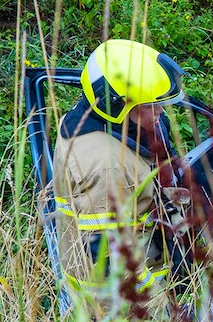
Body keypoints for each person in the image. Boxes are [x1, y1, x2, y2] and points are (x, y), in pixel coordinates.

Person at [52, 38, 192, 295]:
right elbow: (113, 263)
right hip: (124, 311)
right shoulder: (107, 168)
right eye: (151, 105)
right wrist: (167, 316)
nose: (161, 111)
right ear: (117, 105)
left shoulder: (102, 123)